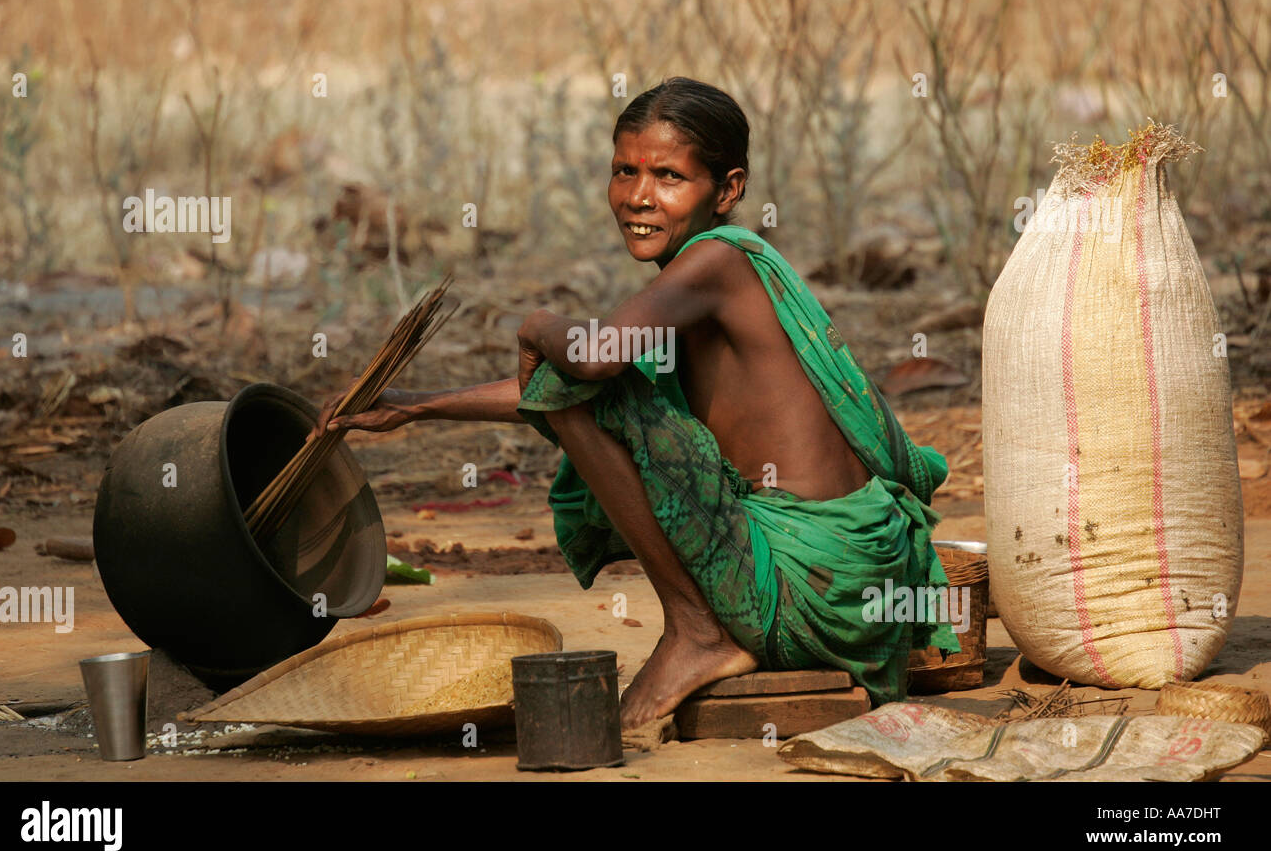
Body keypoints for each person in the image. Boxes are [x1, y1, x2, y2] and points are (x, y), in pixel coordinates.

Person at [309, 77, 958, 729]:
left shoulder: (714, 262)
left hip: (810, 591)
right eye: (625, 170)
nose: (639, 196)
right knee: (580, 382)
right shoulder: (718, 271)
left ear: (727, 190)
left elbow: (589, 366)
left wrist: (536, 323)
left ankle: (698, 631)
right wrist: (414, 406)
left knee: (577, 374)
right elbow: (589, 378)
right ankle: (706, 628)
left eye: (669, 176)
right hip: (855, 588)